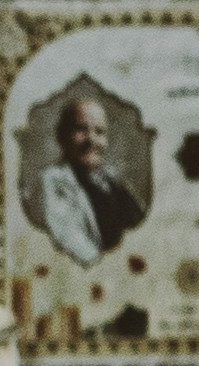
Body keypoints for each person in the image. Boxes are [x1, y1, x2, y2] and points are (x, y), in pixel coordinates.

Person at [37, 88, 151, 262]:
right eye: (81, 129)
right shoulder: (54, 181)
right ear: (63, 136)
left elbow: (140, 227)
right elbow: (73, 241)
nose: (91, 140)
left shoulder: (110, 181)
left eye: (99, 132)